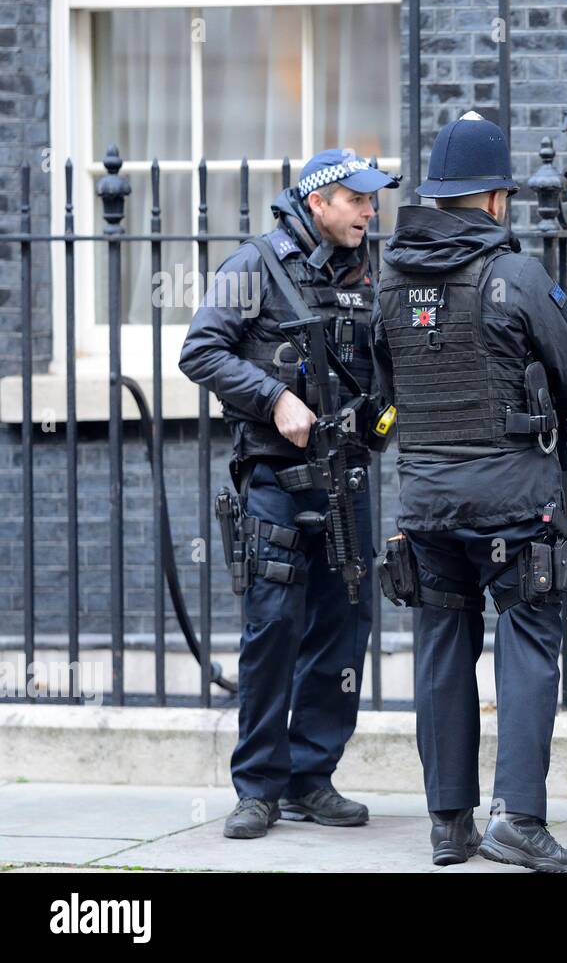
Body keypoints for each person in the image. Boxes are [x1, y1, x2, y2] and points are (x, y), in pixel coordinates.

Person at [372, 112, 567, 873]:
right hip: (516, 504)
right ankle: (521, 820)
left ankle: (450, 826)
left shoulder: (391, 284)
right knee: (528, 649)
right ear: (498, 198)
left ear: (439, 196)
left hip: (427, 506)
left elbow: (383, 391)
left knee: (441, 652)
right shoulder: (517, 276)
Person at [179, 149, 400, 839]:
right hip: (276, 476)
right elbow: (201, 350)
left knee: (344, 624)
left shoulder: (370, 271)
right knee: (274, 625)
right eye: (358, 200)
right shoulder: (257, 264)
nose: (371, 211)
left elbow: (386, 367)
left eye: (373, 200)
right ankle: (259, 785)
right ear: (318, 202)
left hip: (349, 472)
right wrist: (273, 398)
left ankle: (312, 775)